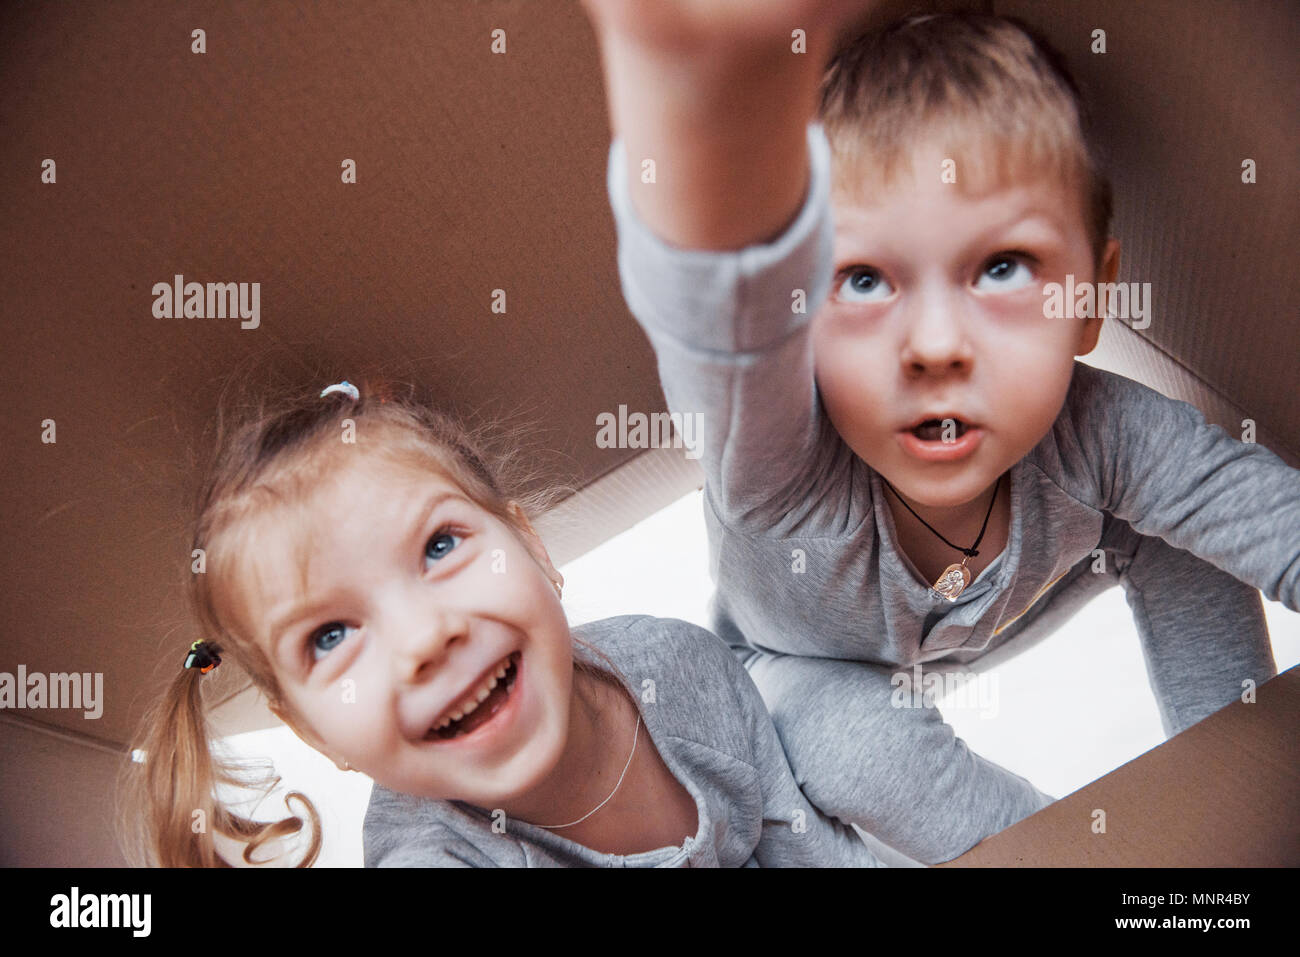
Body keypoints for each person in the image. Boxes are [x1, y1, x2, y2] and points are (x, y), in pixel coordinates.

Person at [581, 1, 1296, 863]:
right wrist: (682, 80)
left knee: (1191, 529)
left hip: (1017, 597)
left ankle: (1236, 774)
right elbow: (722, 325)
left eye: (1001, 267)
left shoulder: (1105, 430)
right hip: (806, 661)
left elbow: (1265, 516)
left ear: (1091, 297)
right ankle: (1075, 846)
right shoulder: (778, 472)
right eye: (865, 280)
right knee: (852, 745)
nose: (934, 346)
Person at [119, 377, 881, 867]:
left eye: (441, 546)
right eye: (330, 636)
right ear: (314, 734)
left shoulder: (679, 666)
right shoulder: (432, 854)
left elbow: (804, 846)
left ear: (533, 546)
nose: (424, 639)